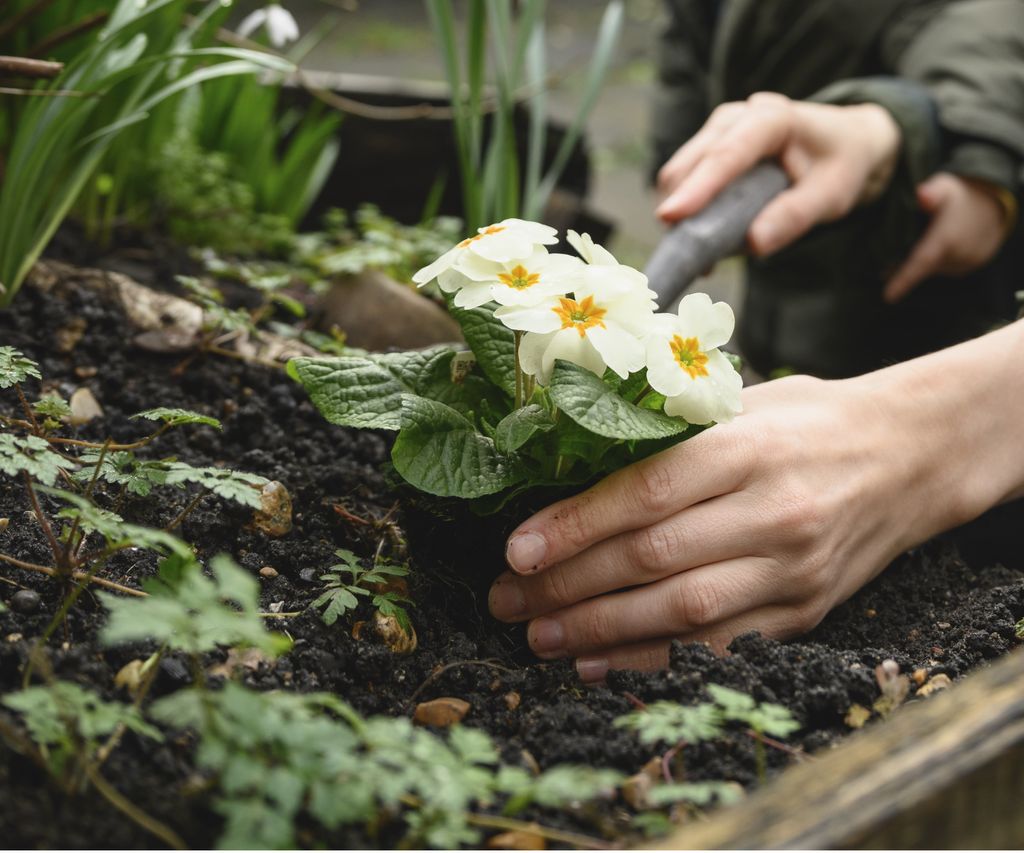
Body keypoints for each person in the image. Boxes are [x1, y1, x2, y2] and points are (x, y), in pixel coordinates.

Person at [487, 0, 1024, 680]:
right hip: (812, 284)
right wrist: (889, 131)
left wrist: (935, 435)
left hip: (950, 310)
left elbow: (984, 20)